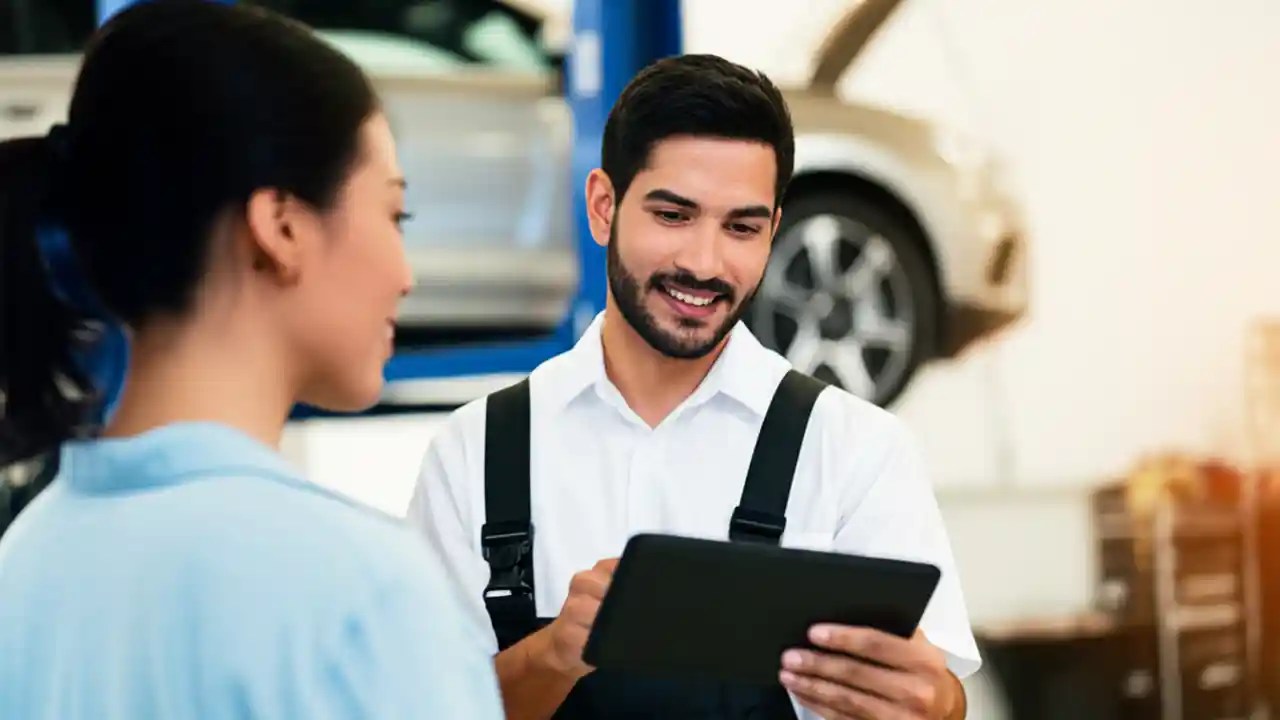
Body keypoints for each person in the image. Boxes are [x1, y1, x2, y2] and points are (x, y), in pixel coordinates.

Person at [408, 53, 982, 720]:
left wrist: (937, 704)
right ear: (603, 207)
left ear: (773, 230)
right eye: (674, 215)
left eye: (741, 227)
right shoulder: (474, 454)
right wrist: (553, 655)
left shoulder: (856, 451)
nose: (705, 263)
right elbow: (419, 707)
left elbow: (936, 700)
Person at [0, 2, 503, 718]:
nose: (405, 274)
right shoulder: (365, 595)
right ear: (280, 226)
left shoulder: (25, 563)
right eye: (395, 216)